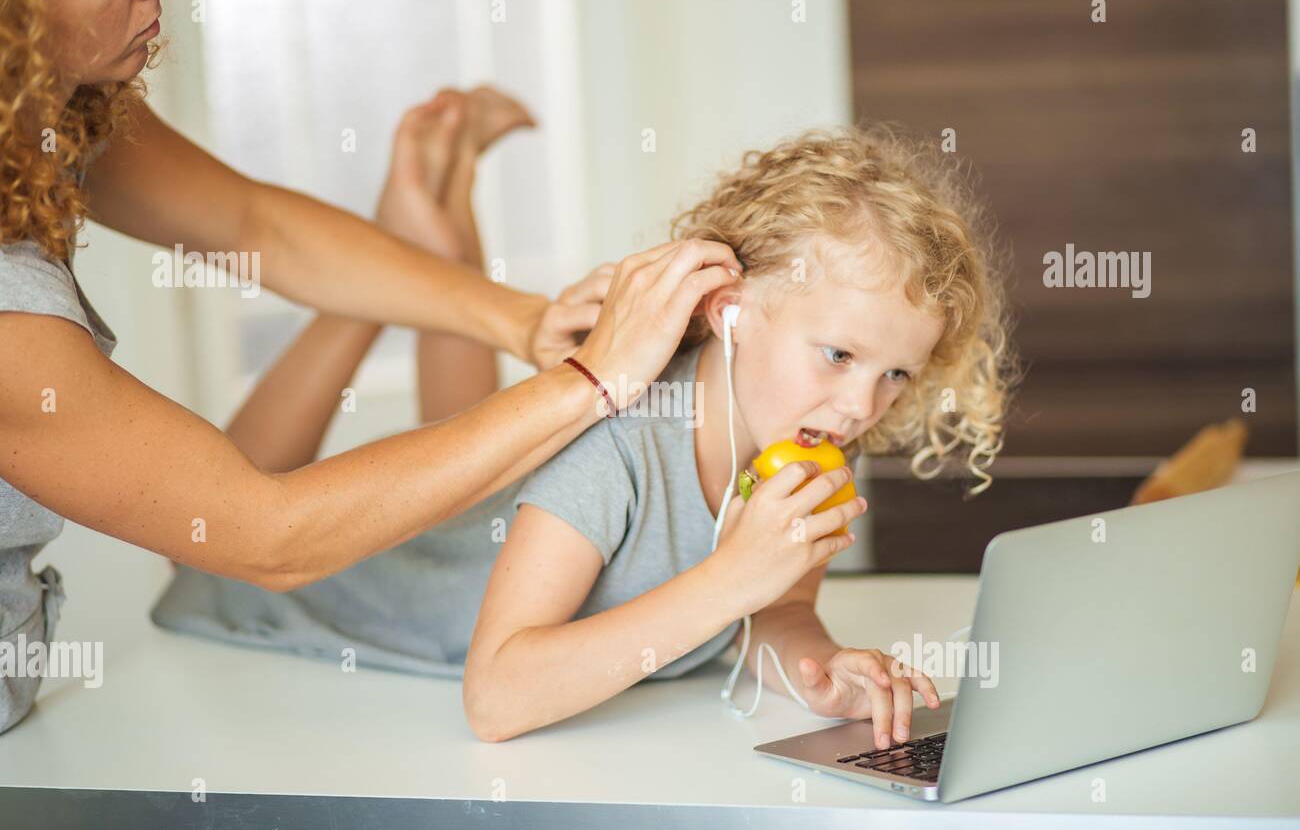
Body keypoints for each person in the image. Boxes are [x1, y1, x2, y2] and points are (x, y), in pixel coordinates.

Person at [0, 0, 742, 734]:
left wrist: (526, 322)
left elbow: (257, 228)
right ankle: (424, 227)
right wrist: (592, 378)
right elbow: (268, 534)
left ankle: (417, 231)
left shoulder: (47, 112)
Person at [154, 120, 1019, 748]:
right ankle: (393, 256)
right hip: (296, 584)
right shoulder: (622, 442)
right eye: (838, 354)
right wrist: (727, 583)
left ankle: (425, 243)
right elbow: (495, 698)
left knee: (455, 453)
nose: (863, 405)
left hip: (457, 537)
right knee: (214, 528)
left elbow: (777, 606)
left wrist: (818, 668)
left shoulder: (811, 431)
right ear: (733, 312)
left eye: (894, 374)